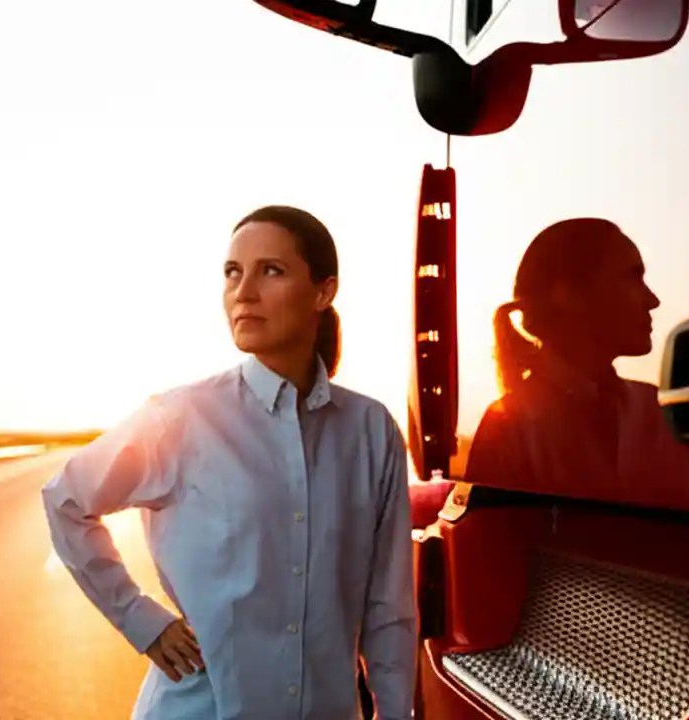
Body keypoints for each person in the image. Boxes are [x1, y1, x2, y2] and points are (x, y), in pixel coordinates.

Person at [41, 205, 416, 719]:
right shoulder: (180, 418)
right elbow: (66, 498)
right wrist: (141, 620)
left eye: (272, 271)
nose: (244, 291)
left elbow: (389, 610)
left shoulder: (371, 432)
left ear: (324, 291)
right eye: (233, 273)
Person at [461, 217, 689, 510]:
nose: (652, 300)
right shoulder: (509, 430)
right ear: (567, 296)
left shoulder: (653, 409)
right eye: (632, 277)